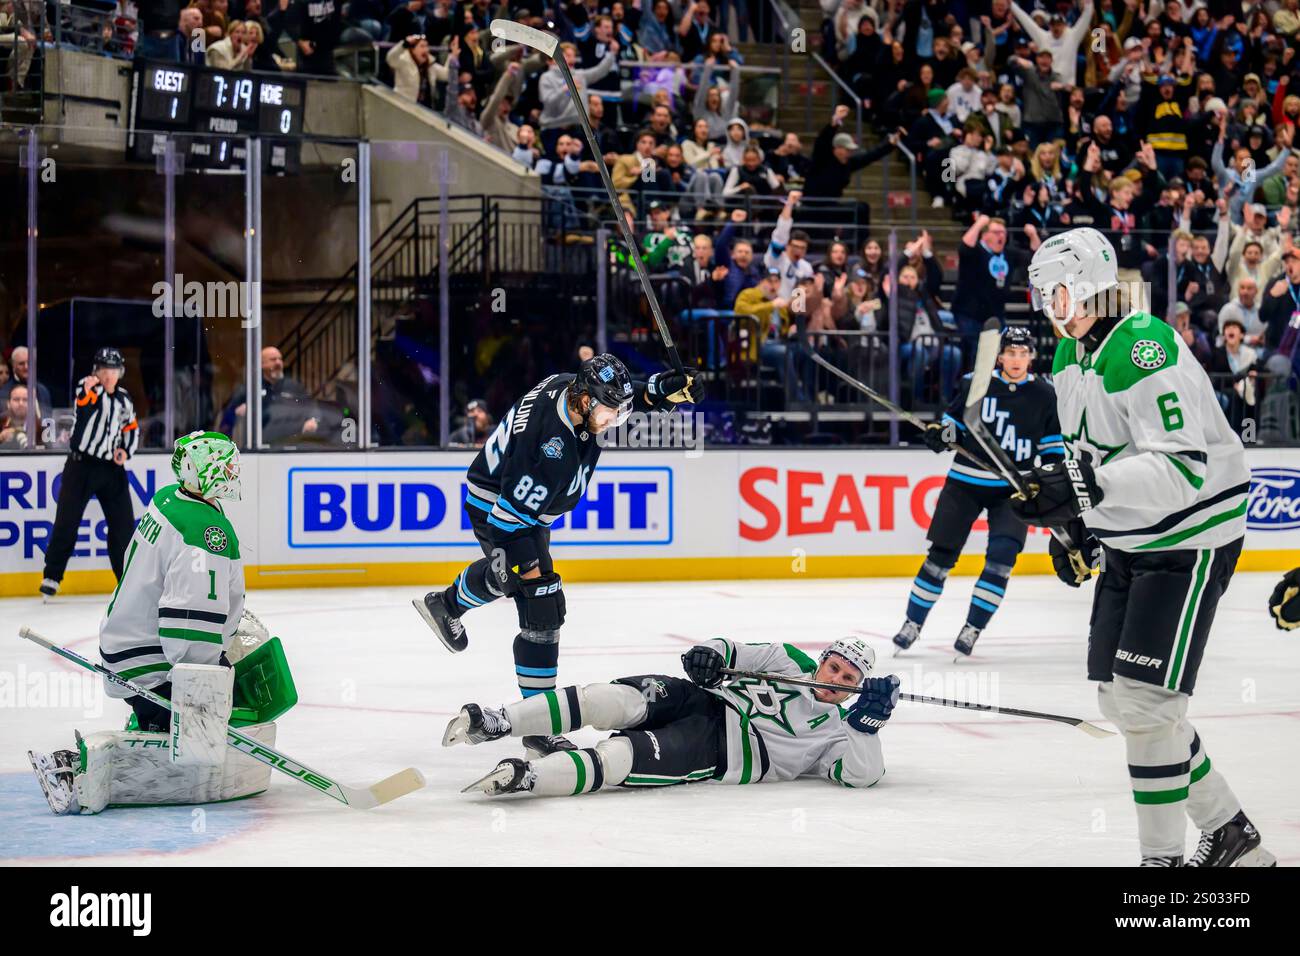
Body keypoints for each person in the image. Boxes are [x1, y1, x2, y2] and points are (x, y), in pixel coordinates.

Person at [1019, 226, 1275, 868]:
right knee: (1119, 696)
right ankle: (1232, 838)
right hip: (1133, 541)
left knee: (1147, 701)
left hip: (1190, 538)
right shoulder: (1068, 357)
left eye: (1049, 291)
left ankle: (1160, 866)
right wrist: (1078, 526)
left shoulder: (1143, 348)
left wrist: (1085, 491)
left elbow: (1183, 468)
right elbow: (1088, 458)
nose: (1042, 304)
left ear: (1082, 287)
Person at [26, 432, 287, 816]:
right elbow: (188, 637)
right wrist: (206, 692)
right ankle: (105, 756)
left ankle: (155, 718)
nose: (233, 472)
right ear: (207, 473)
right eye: (227, 465)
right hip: (150, 663)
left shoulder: (170, 498)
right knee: (216, 699)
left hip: (124, 644)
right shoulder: (204, 533)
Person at [412, 355, 697, 699]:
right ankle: (537, 720)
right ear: (586, 401)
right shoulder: (549, 451)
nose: (615, 420)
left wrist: (658, 391)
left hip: (521, 505)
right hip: (500, 511)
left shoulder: (569, 386)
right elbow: (507, 527)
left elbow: (619, 397)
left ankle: (446, 604)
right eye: (611, 412)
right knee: (541, 607)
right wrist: (533, 578)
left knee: (512, 579)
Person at [444, 637, 898, 796]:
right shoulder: (789, 659)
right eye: (834, 666)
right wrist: (707, 656)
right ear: (824, 660)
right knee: (610, 698)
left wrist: (867, 726)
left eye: (848, 678)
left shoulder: (840, 733)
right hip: (700, 700)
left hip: (721, 750)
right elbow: (732, 651)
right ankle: (498, 720)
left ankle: (528, 777)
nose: (835, 678)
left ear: (856, 687)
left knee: (621, 755)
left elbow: (863, 775)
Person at [893, 327, 1064, 657]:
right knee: (939, 558)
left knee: (1001, 561)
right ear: (999, 356)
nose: (1016, 360)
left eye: (1022, 353)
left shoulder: (1045, 395)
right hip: (964, 484)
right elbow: (952, 427)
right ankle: (912, 623)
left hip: (1012, 490)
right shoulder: (975, 382)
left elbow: (1052, 450)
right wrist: (938, 437)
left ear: (1031, 356)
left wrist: (1047, 480)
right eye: (1010, 353)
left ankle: (973, 628)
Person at [39, 348, 140, 600]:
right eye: (104, 370)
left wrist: (125, 451)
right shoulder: (88, 390)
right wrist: (89, 389)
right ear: (96, 371)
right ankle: (52, 575)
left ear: (120, 372)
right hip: (81, 466)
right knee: (67, 520)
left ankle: (125, 579)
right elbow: (83, 409)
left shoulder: (125, 400)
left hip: (111, 469)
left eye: (113, 370)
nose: (108, 375)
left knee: (123, 526)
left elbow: (132, 429)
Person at [218, 345, 319, 445]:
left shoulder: (294, 387)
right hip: (259, 448)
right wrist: (237, 413)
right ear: (262, 364)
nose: (278, 363)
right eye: (273, 359)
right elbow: (227, 418)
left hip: (290, 446)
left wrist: (312, 420)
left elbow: (312, 407)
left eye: (280, 359)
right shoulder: (251, 388)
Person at [0, 383, 29, 448]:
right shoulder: (1, 420)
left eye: (25, 400)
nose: (21, 403)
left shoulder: (41, 424)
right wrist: (1, 438)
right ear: (8, 404)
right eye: (16, 399)